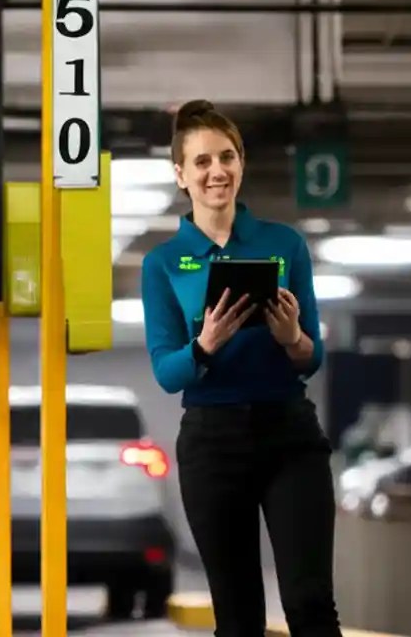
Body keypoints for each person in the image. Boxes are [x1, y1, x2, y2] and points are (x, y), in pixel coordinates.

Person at [140, 99, 342, 637]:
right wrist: (205, 344)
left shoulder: (284, 245)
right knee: (238, 615)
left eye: (226, 157)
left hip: (288, 433)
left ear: (242, 163)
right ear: (180, 174)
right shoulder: (161, 264)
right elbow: (168, 371)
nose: (216, 171)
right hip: (213, 441)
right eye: (202, 161)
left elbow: (311, 354)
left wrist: (290, 336)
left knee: (310, 601)